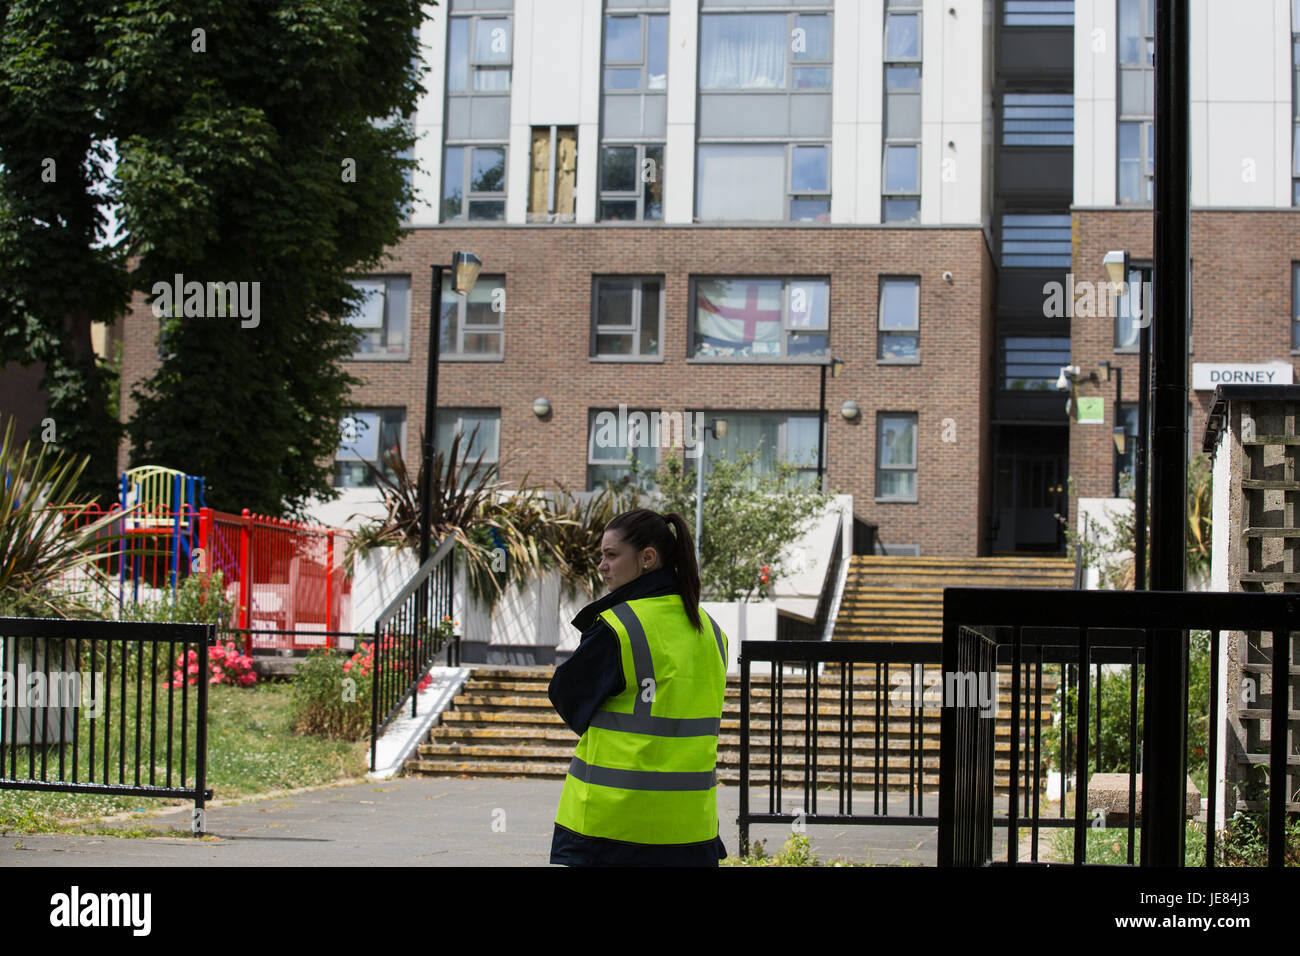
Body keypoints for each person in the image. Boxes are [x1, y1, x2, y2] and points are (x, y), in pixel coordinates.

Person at [548, 507, 730, 866]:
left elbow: (568, 698)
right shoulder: (712, 631)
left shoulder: (620, 627)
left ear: (647, 558)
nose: (602, 565)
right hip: (691, 831)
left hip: (611, 829)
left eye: (611, 555)